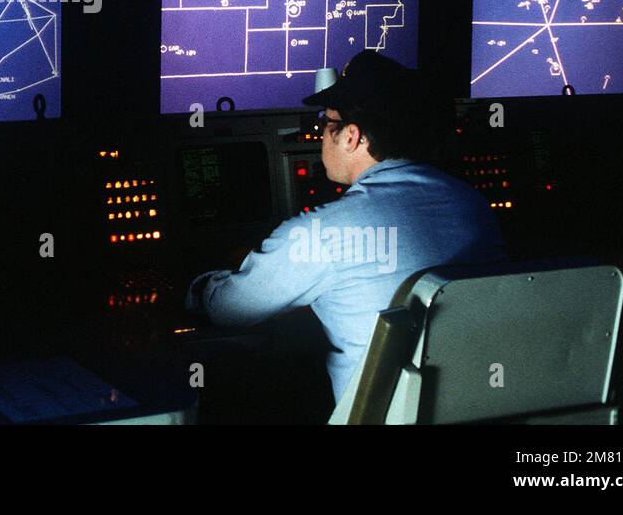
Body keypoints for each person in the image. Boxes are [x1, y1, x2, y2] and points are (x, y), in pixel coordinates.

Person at [185, 50, 506, 404]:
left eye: (326, 124)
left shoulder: (321, 234)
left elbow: (230, 308)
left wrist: (198, 284)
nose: (321, 135)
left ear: (352, 136)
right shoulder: (476, 207)